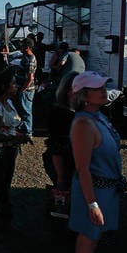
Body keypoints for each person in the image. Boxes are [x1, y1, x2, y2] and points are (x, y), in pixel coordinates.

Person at [67, 72, 125, 253]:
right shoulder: (83, 123)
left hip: (104, 187)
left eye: (103, 86)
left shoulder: (97, 116)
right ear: (84, 96)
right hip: (94, 189)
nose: (103, 91)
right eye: (97, 88)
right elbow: (83, 169)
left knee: (92, 236)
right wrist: (93, 204)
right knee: (88, 237)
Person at [0, 69, 31, 231]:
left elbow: (10, 127)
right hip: (0, 152)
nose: (16, 85)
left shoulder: (9, 103)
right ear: (5, 86)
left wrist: (19, 134)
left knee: (3, 185)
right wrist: (15, 139)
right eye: (13, 83)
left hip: (10, 151)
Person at [43, 72, 78, 219]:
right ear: (70, 91)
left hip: (74, 164)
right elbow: (56, 147)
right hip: (66, 164)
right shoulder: (60, 113)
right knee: (65, 202)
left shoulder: (79, 111)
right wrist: (61, 176)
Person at [15, 39, 38, 135]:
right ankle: (23, 129)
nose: (20, 48)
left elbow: (30, 78)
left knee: (26, 111)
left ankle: (28, 132)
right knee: (23, 110)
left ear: (27, 47)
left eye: (22, 46)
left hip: (27, 90)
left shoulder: (30, 59)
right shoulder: (25, 57)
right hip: (24, 88)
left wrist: (23, 89)